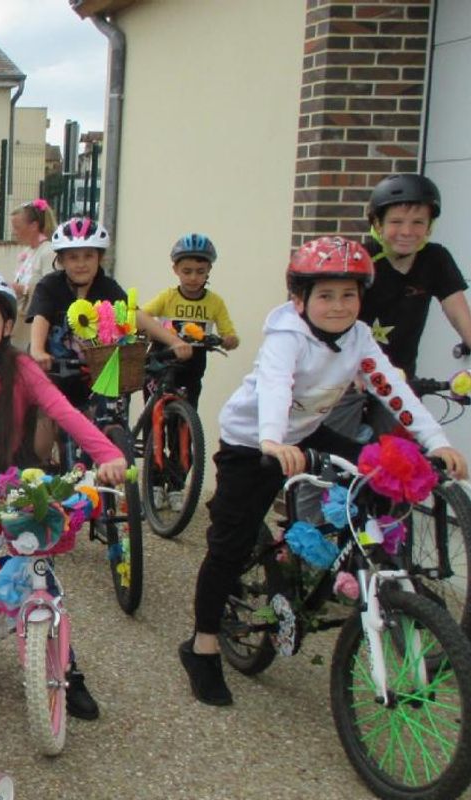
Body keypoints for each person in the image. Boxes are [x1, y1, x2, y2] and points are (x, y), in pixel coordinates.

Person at [179, 236, 468, 707]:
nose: (339, 306)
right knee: (229, 544)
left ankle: (342, 567)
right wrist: (272, 439)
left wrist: (437, 443)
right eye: (326, 295)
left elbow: (392, 389)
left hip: (305, 431)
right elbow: (276, 382)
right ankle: (203, 646)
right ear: (301, 299)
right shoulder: (286, 335)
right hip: (254, 440)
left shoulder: (358, 338)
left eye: (349, 295)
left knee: (378, 472)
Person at [0, 270, 126, 722]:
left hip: (13, 474)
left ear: (6, 325)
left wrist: (109, 454)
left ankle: (66, 668)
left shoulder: (19, 366)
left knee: (38, 564)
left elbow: (61, 410)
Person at [26, 217, 191, 459]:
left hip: (94, 372)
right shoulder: (50, 286)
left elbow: (134, 315)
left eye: (88, 256)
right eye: (73, 257)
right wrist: (39, 352)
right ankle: (38, 472)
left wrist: (174, 341)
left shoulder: (107, 287)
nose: (81, 264)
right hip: (56, 370)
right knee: (44, 423)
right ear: (60, 260)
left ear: (99, 258)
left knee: (103, 421)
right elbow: (41, 318)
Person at [325, 174, 471, 442]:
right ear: (377, 224)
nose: (407, 231)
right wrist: (352, 366)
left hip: (398, 380)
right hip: (347, 375)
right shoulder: (360, 259)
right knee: (336, 455)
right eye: (396, 222)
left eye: (418, 222)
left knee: (400, 460)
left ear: (429, 226)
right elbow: (335, 320)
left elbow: (459, 311)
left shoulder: (435, 259)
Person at [142, 233, 240, 408]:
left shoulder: (215, 302)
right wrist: (150, 330)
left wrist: (229, 340)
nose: (193, 277)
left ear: (209, 269)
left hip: (193, 367)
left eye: (200, 271)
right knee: (155, 414)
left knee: (187, 414)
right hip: (163, 361)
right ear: (175, 270)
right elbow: (143, 315)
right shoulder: (167, 297)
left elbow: (229, 334)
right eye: (187, 271)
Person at [11, 198, 57, 347]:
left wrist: (22, 290)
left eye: (17, 227)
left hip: (37, 324)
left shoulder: (49, 252)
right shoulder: (28, 251)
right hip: (23, 321)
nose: (14, 232)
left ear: (34, 226)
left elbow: (52, 289)